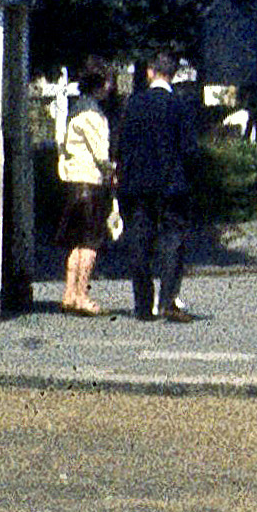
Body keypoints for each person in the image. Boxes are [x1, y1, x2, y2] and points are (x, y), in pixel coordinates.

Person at [110, 51, 200, 323]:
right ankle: (168, 299)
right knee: (173, 240)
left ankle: (142, 303)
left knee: (139, 239)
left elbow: (120, 145)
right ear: (172, 74)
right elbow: (190, 149)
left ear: (150, 72)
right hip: (172, 184)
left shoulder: (134, 103)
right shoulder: (180, 105)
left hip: (137, 185)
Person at [53, 65, 115, 315]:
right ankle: (82, 295)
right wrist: (113, 170)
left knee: (76, 242)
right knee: (91, 242)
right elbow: (101, 154)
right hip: (91, 183)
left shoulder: (75, 110)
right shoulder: (94, 115)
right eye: (109, 82)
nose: (111, 87)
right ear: (100, 85)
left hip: (73, 182)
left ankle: (69, 293)